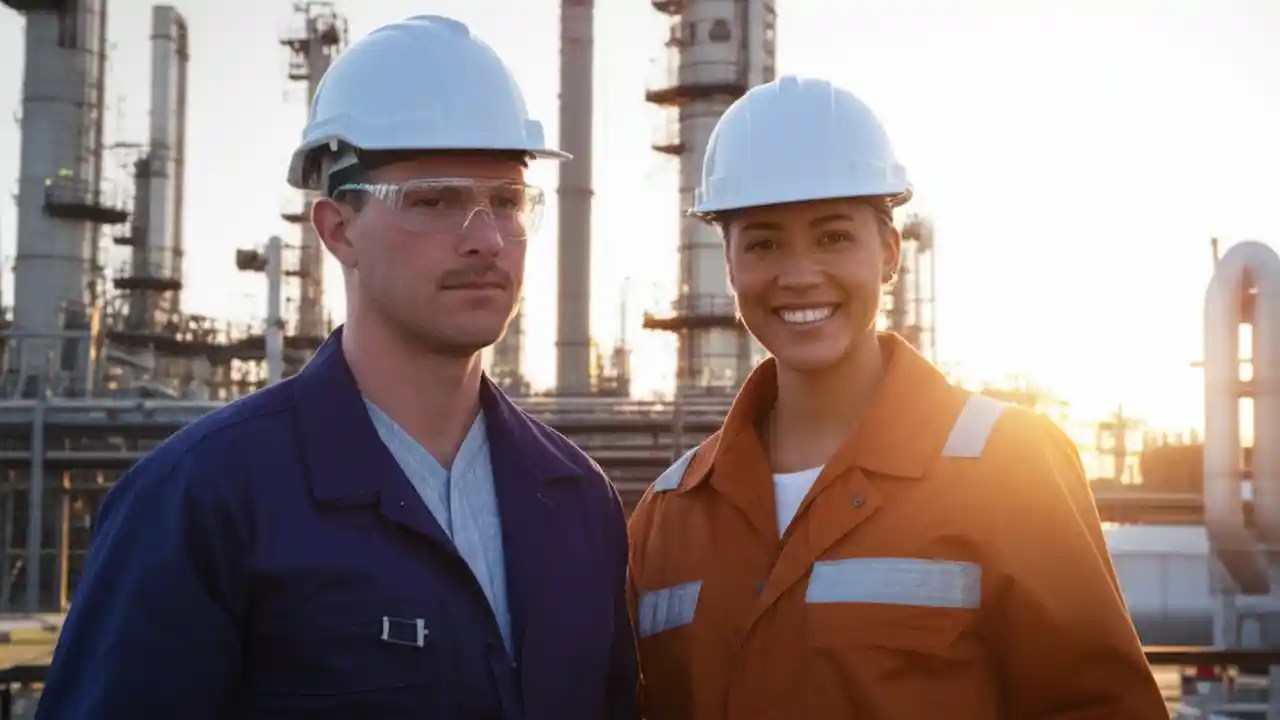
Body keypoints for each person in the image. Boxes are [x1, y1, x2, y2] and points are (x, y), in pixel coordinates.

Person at [37, 15, 637, 720]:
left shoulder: (574, 499)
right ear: (338, 229)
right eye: (433, 200)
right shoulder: (204, 500)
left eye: (507, 202)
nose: (485, 240)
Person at [625, 75, 1168, 719]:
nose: (799, 275)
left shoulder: (1007, 466)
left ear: (888, 253)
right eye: (766, 242)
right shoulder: (669, 514)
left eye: (832, 237)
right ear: (731, 266)